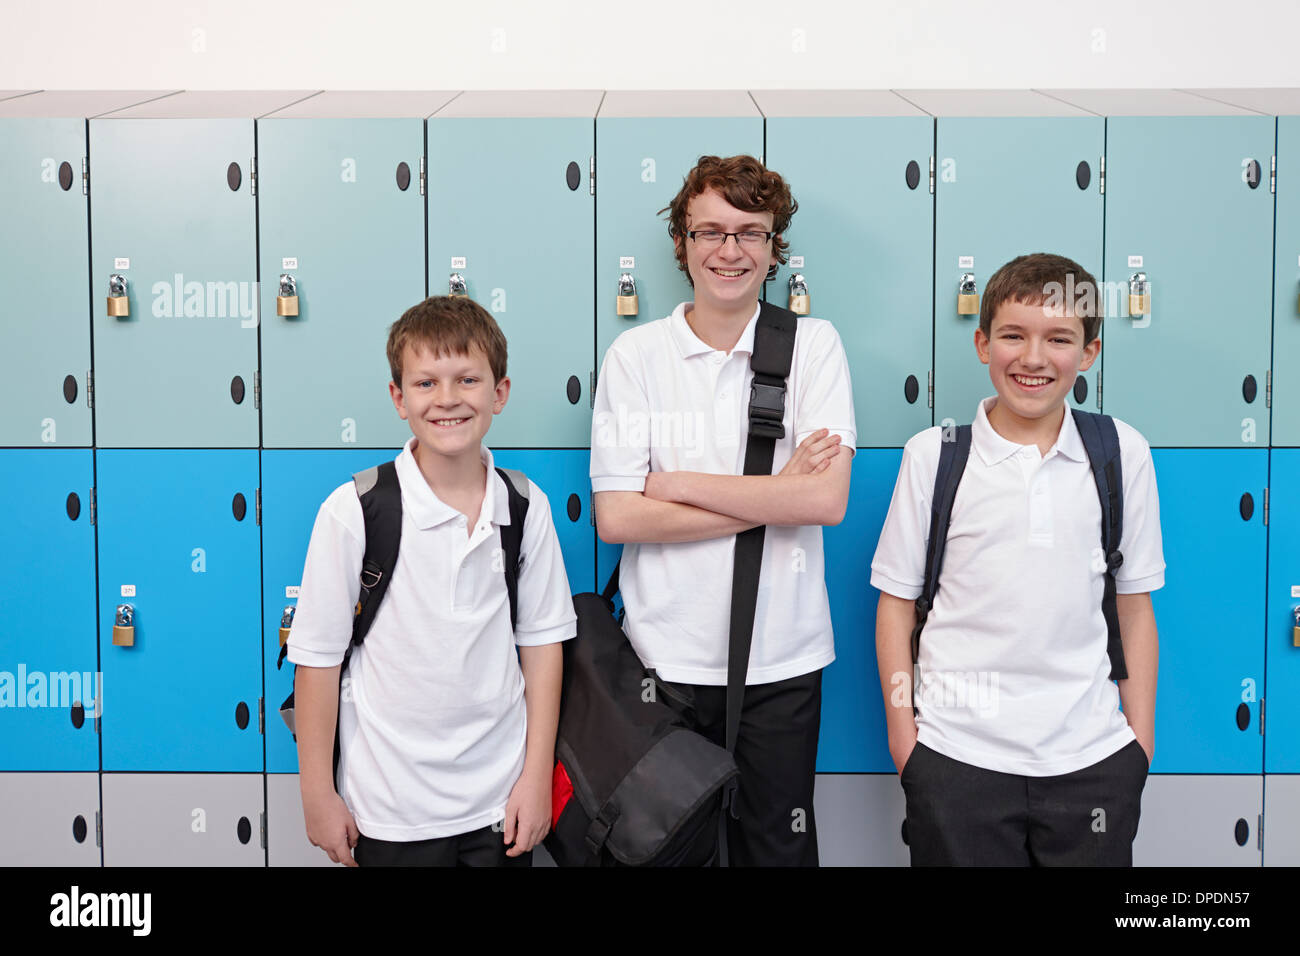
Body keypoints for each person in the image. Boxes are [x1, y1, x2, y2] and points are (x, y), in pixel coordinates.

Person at [590, 154, 856, 866]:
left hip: (783, 664)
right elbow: (617, 518)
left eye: (750, 233)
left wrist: (674, 483)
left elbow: (824, 500)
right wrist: (775, 496)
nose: (729, 250)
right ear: (682, 243)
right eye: (710, 232)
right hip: (661, 662)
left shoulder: (813, 346)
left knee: (779, 851)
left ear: (774, 249)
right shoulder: (635, 356)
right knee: (668, 851)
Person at [872, 253, 1163, 866]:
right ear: (982, 344)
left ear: (1089, 353)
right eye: (1013, 335)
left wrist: (1139, 746)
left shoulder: (1121, 452)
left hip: (1093, 762)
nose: (1033, 358)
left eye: (1059, 339)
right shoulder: (936, 455)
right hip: (956, 761)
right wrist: (908, 746)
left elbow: (1133, 606)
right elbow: (896, 607)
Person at [287, 295, 576, 866]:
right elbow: (317, 660)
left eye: (467, 379)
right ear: (399, 398)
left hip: (499, 804)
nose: (447, 399)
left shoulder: (524, 506)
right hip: (390, 810)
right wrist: (317, 793)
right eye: (426, 383)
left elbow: (543, 645)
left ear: (500, 392)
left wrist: (535, 777)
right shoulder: (354, 511)